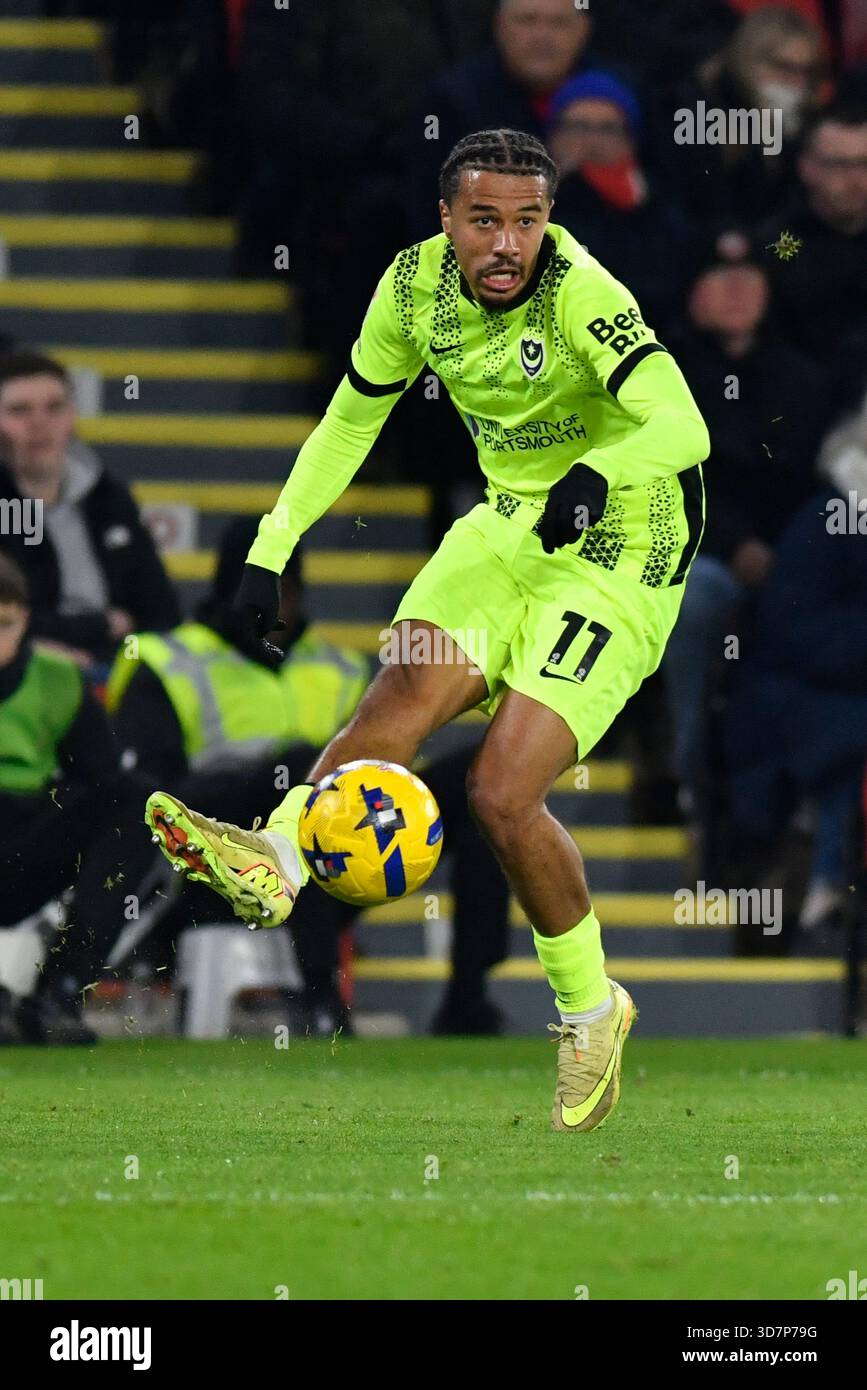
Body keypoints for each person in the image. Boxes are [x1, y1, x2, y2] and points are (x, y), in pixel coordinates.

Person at [145, 128, 709, 1133]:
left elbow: (684, 425)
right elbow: (351, 420)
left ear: (549, 221)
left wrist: (594, 475)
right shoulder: (409, 291)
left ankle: (590, 1010)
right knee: (399, 691)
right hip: (509, 523)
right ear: (446, 217)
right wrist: (273, 547)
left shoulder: (582, 291)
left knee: (499, 790)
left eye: (527, 221)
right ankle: (275, 858)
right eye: (484, 220)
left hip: (628, 538)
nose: (506, 245)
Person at [109, 519, 511, 1035]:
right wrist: (280, 776)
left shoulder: (339, 667)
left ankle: (468, 998)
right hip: (215, 865)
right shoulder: (168, 662)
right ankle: (320, 994)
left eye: (287, 590)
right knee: (313, 778)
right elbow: (150, 798)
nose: (275, 608)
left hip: (341, 863)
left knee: (484, 779)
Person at [661, 230, 828, 829]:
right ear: (692, 293)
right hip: (697, 549)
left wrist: (790, 554)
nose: (735, 292)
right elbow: (669, 477)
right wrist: (735, 546)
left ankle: (805, 790)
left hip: (796, 553)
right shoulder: (662, 372)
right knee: (694, 600)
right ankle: (688, 775)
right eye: (719, 278)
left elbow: (818, 478)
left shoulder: (802, 374)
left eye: (748, 278)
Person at [0, 554, 139, 1045]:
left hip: (24, 845)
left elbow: (102, 781)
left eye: (5, 625)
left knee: (134, 805)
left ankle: (60, 989)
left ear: (26, 620)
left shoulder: (59, 679)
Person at [0, 351, 180, 676]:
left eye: (54, 408)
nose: (39, 423)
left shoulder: (110, 499)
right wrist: (101, 624)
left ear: (73, 416)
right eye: (19, 410)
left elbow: (160, 609)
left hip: (118, 666)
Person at [546, 70, 693, 328]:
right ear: (554, 136)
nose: (592, 140)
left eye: (607, 129)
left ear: (630, 140)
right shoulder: (529, 202)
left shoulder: (656, 205)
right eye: (578, 126)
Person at [758, 98, 867, 377]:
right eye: (840, 165)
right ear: (807, 167)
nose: (857, 180)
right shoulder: (780, 243)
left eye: (864, 164)